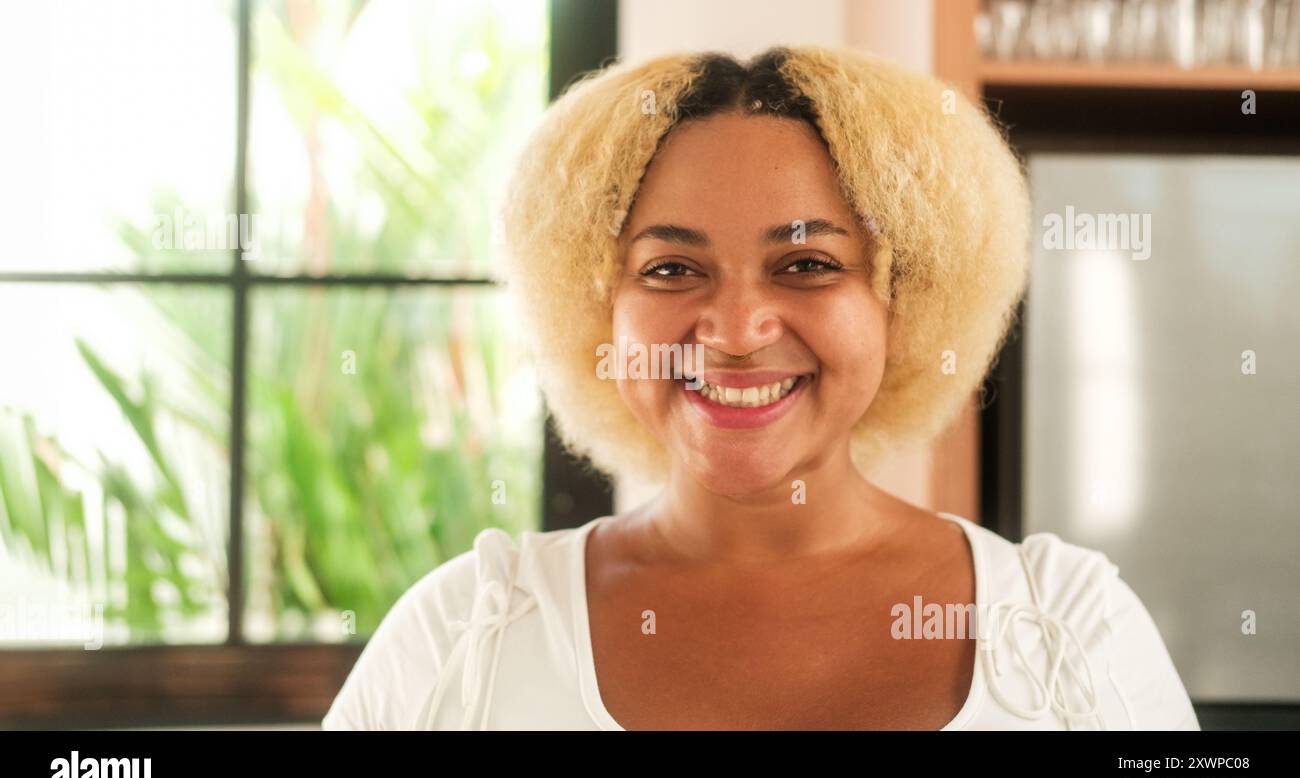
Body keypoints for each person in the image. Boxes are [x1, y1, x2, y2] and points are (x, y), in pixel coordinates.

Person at [322, 45, 1198, 730]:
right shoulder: (461, 640)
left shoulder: (1071, 627)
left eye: (808, 263)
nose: (737, 331)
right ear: (598, 309)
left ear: (907, 301)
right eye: (670, 268)